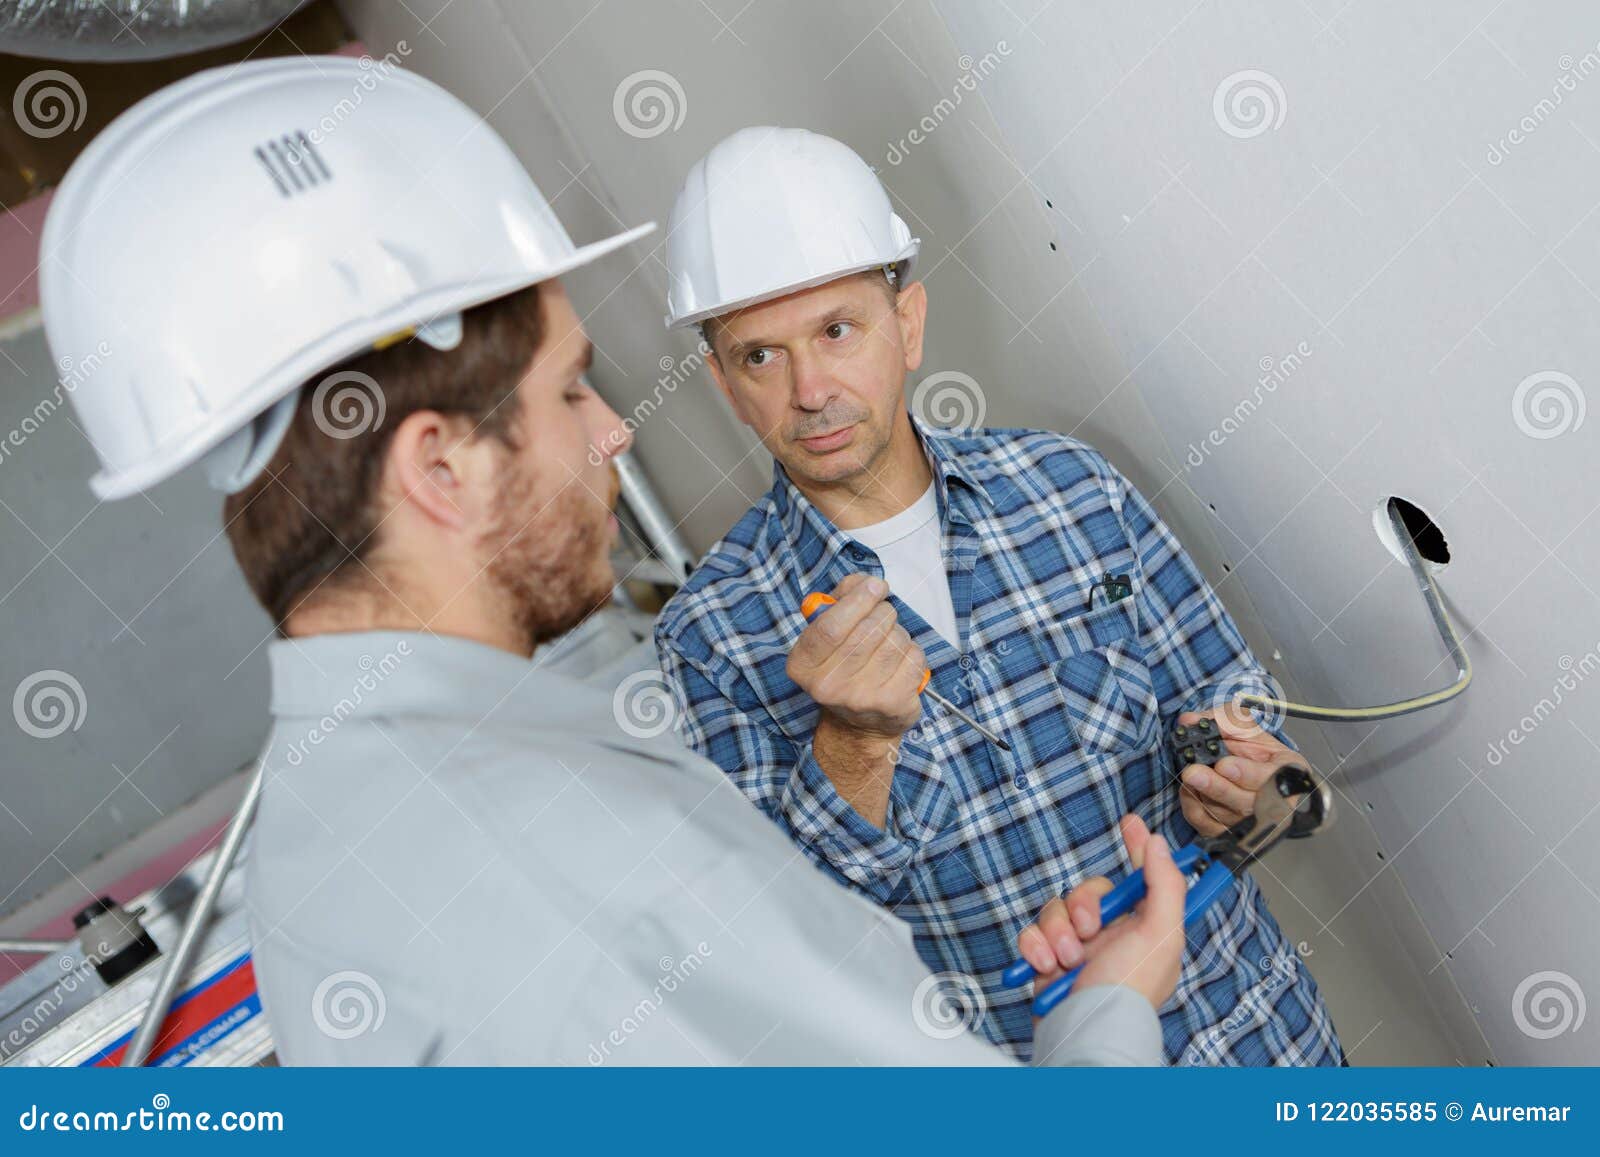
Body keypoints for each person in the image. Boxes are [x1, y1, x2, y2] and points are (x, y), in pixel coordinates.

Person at [40, 58, 1185, 1065]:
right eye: (569, 387)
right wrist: (1108, 1011)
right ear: (442, 467)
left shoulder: (331, 831)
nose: (612, 433)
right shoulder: (585, 861)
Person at [653, 126, 1342, 1064]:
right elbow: (787, 954)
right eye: (760, 357)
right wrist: (854, 746)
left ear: (909, 324)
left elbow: (1234, 713)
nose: (809, 389)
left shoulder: (1072, 487)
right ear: (725, 385)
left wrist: (1248, 782)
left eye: (837, 331)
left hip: (1264, 1045)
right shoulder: (712, 636)